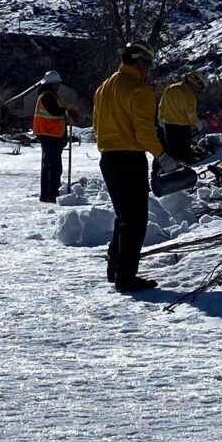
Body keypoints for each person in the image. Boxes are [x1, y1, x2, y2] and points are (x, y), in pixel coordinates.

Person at [92, 42, 164, 293]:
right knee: (135, 220)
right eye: (148, 64)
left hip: (108, 159)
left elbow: (96, 126)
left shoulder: (104, 87)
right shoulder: (139, 89)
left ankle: (115, 269)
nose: (148, 70)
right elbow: (144, 131)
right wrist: (162, 155)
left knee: (123, 216)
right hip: (130, 159)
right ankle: (126, 276)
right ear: (140, 61)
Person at [29, 70, 72, 204]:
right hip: (49, 134)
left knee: (50, 165)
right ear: (53, 84)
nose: (59, 86)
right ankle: (50, 194)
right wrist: (66, 111)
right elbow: (53, 111)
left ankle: (49, 193)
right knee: (53, 166)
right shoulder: (48, 96)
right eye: (58, 83)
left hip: (50, 134)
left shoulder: (47, 95)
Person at [157, 71, 203, 164]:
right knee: (183, 155)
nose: (196, 88)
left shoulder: (169, 88)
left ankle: (174, 174)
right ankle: (185, 174)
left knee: (173, 153)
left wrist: (160, 118)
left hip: (168, 127)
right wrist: (197, 123)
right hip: (182, 128)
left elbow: (161, 106)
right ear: (194, 82)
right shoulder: (188, 94)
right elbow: (191, 114)